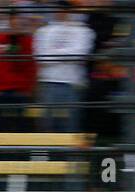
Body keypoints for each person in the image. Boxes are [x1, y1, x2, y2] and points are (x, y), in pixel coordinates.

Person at [33, 2, 94, 133]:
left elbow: (80, 55)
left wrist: (54, 52)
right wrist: (68, 53)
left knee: (70, 128)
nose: (61, 12)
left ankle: (69, 155)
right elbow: (42, 58)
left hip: (73, 83)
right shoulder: (43, 31)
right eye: (59, 8)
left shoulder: (84, 31)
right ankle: (44, 154)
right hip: (48, 82)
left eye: (65, 9)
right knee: (46, 128)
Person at [0, 11, 36, 132]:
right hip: (0, 89)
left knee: (19, 125)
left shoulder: (28, 41)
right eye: (13, 20)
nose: (15, 23)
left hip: (20, 89)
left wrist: (29, 89)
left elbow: (29, 66)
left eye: (18, 20)